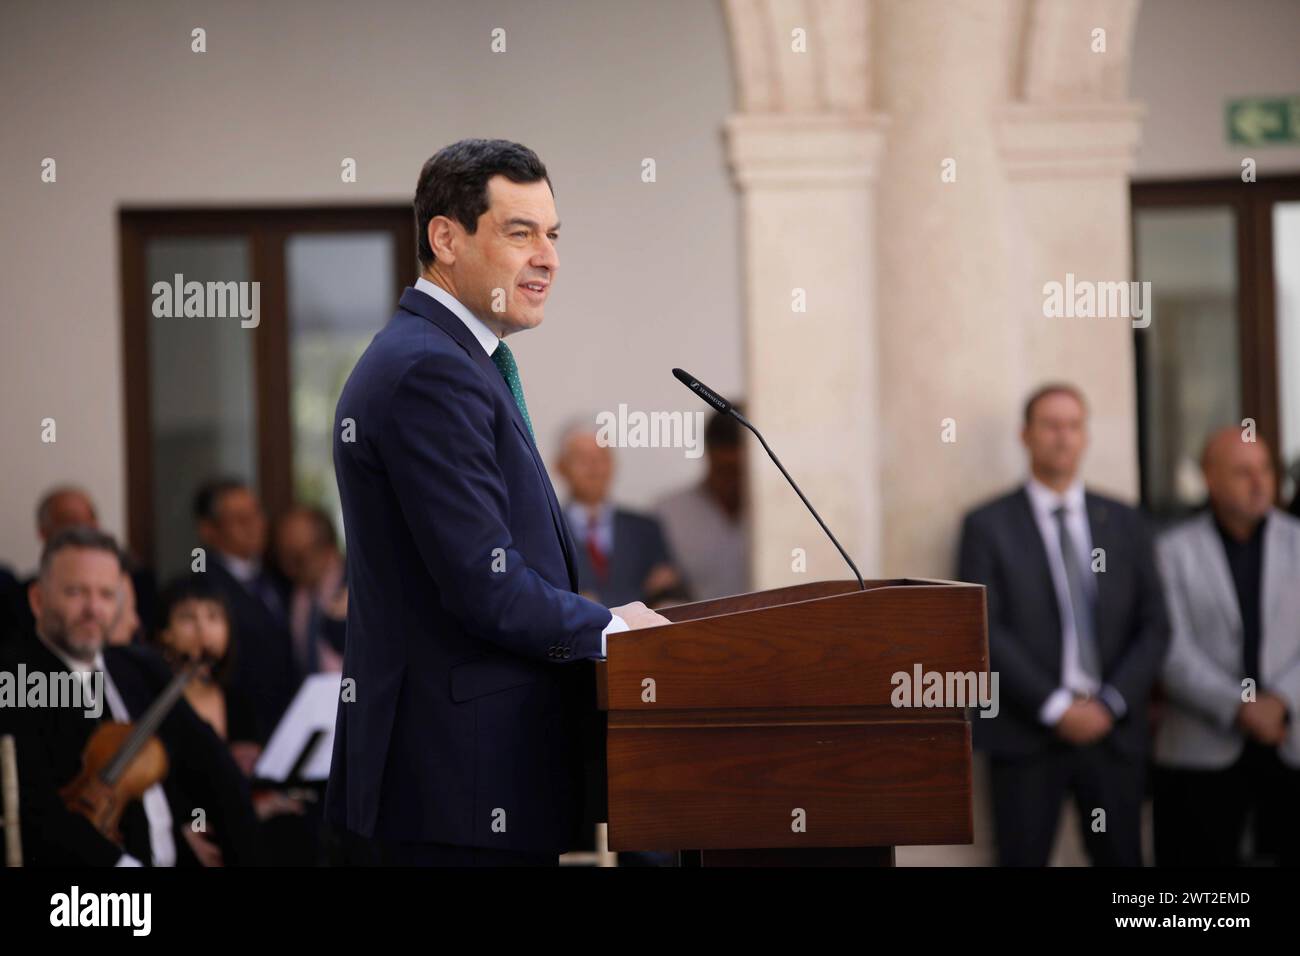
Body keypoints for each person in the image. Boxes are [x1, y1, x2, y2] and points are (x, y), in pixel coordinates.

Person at [326, 139, 668, 867]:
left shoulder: (455, 361)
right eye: (520, 233)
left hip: (472, 785)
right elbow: (486, 586)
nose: (547, 257)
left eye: (552, 235)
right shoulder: (429, 372)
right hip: (454, 789)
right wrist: (612, 628)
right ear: (446, 238)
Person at [957, 383, 1169, 866]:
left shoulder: (1124, 521)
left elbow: (1155, 625)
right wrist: (1055, 707)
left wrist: (1110, 703)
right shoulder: (987, 525)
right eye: (1050, 425)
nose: (1062, 437)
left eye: (1073, 426)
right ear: (1025, 435)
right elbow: (982, 626)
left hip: (1112, 735)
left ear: (1086, 436)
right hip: (1025, 734)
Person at [0, 527, 257, 866]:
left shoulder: (140, 668)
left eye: (106, 595)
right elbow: (37, 814)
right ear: (37, 600)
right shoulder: (15, 680)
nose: (93, 609)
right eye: (76, 592)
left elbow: (215, 770)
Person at [1153, 428, 1300, 866]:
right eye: (1243, 472)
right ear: (1210, 478)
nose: (1259, 483)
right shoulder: (1171, 551)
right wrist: (1242, 706)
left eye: (1265, 470)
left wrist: (1282, 700)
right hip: (1202, 749)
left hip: (1291, 737)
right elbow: (1170, 647)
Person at [192, 477, 298, 744]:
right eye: (239, 519)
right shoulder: (202, 587)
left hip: (288, 731)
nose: (254, 526)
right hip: (242, 741)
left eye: (257, 514)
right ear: (209, 530)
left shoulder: (280, 578)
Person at [554, 420, 684, 608]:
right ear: (560, 467)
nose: (594, 468)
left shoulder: (645, 529)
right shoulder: (547, 530)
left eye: (602, 457)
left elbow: (669, 588)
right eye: (582, 458)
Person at [655, 407, 751, 600]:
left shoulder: (784, 511)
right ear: (708, 454)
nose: (733, 482)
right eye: (724, 470)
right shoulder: (668, 514)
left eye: (741, 470)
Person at [272, 506, 347, 674]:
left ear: (327, 549)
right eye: (281, 556)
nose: (288, 568)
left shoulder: (358, 586)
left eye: (298, 558)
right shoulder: (284, 591)